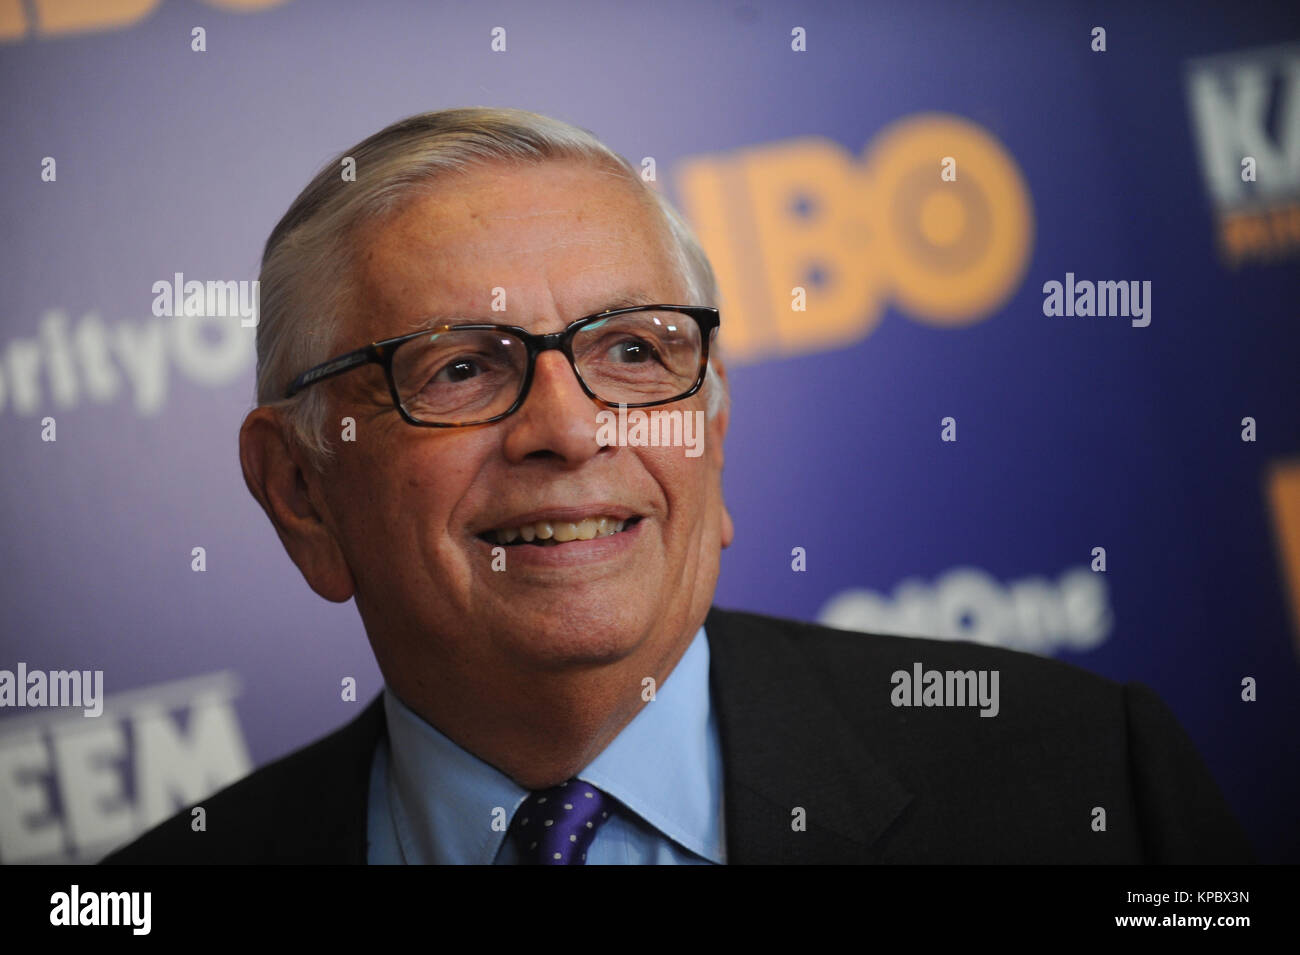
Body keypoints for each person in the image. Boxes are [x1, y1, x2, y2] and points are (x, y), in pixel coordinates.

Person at [103, 107, 1252, 864]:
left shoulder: (1089, 786)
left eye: (633, 353)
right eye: (459, 367)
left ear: (710, 419)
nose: (568, 425)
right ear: (301, 491)